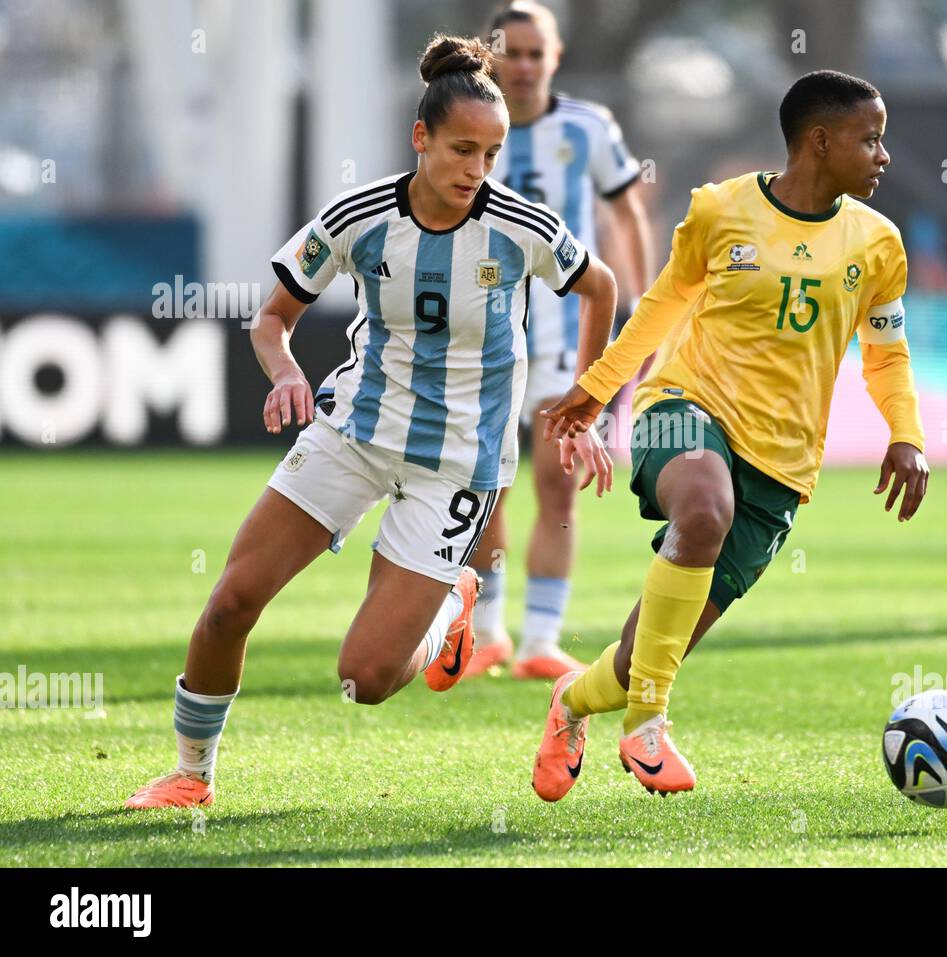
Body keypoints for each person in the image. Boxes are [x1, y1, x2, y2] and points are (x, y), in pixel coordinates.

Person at [124, 33, 615, 809]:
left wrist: (586, 401)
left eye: (491, 154)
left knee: (366, 679)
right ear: (420, 137)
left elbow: (602, 286)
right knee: (229, 602)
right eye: (461, 150)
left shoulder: (518, 225)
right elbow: (270, 319)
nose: (475, 171)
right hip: (353, 433)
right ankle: (191, 772)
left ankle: (455, 597)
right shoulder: (360, 216)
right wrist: (286, 371)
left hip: (458, 463)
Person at [529, 70, 929, 800]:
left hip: (782, 462)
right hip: (686, 403)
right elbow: (659, 306)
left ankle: (574, 702)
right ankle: (648, 722)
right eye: (870, 139)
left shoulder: (878, 244)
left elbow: (887, 353)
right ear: (820, 140)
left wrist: (906, 433)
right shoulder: (721, 210)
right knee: (703, 510)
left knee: (649, 648)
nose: (883, 155)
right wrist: (598, 385)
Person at [463, 1, 654, 680]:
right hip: (481, 332)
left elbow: (628, 214)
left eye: (533, 52)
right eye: (509, 52)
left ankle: (540, 639)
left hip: (567, 328)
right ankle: (487, 629)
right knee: (484, 484)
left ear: (556, 56)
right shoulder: (471, 120)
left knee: (558, 481)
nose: (521, 65)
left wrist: (641, 309)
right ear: (489, 56)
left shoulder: (588, 127)